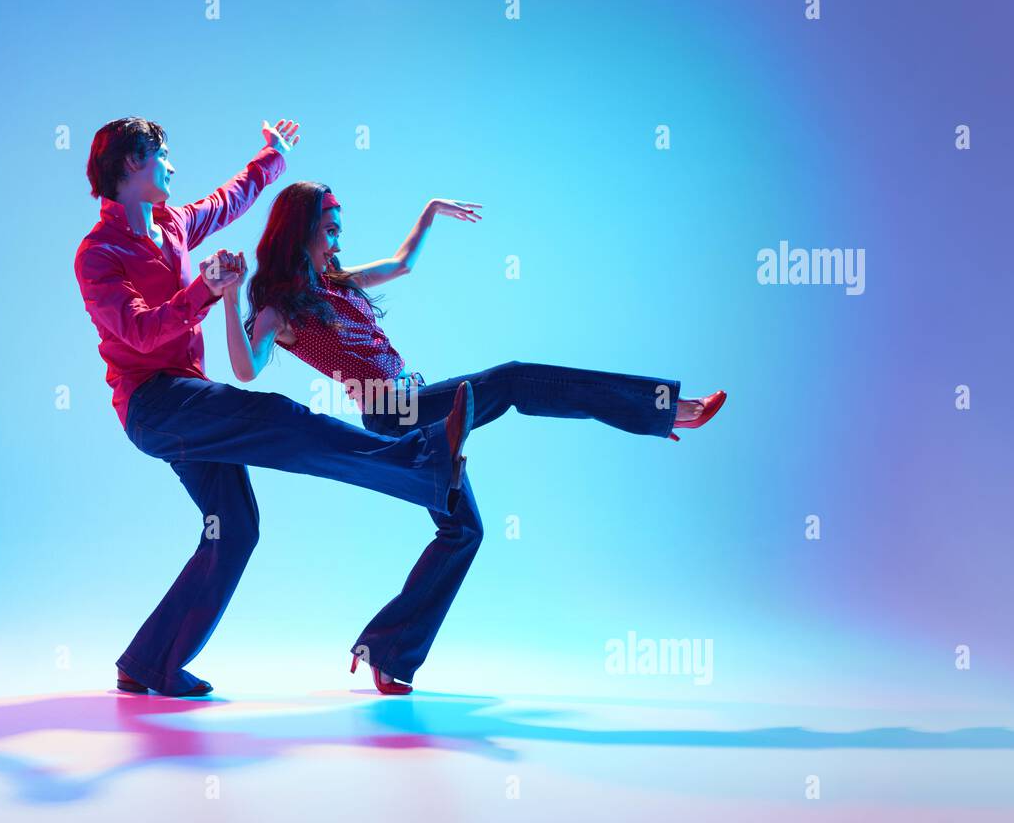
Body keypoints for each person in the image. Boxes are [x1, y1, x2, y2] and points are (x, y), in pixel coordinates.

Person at [219, 181, 726, 694]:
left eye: (338, 232)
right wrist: (231, 295)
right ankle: (662, 409)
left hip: (414, 403)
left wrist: (430, 211)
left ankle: (385, 651)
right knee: (512, 379)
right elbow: (246, 368)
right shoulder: (281, 308)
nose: (337, 243)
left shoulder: (340, 282)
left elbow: (401, 262)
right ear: (300, 229)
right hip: (395, 412)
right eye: (329, 231)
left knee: (465, 531)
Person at [74, 121, 474, 697]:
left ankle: (147, 662)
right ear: (132, 162)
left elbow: (230, 197)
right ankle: (426, 464)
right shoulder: (98, 254)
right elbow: (136, 332)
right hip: (156, 404)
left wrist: (274, 155)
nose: (172, 165)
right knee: (283, 420)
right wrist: (205, 292)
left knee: (233, 528)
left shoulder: (174, 226)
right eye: (162, 155)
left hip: (189, 404)